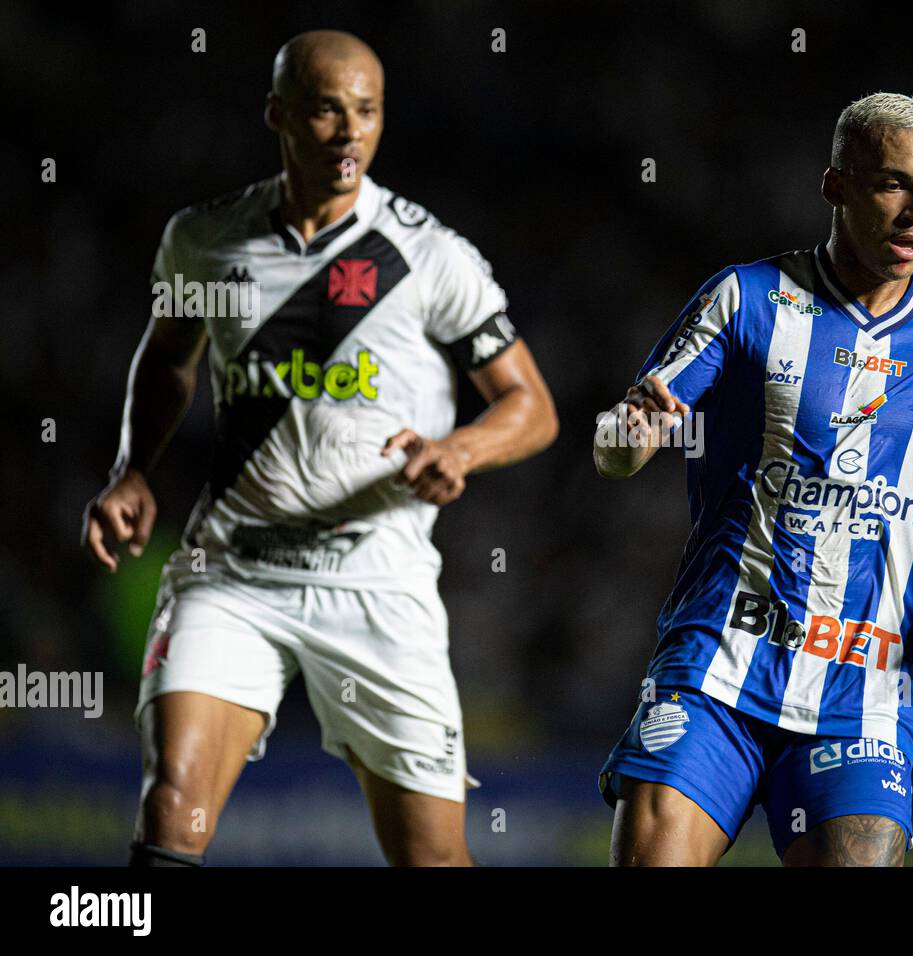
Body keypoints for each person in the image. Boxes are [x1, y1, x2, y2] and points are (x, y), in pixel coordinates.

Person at [81, 30, 558, 866]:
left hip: (377, 576)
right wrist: (132, 473)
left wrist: (462, 451)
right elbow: (167, 359)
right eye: (326, 110)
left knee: (434, 860)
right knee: (171, 812)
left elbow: (532, 406)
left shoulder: (429, 255)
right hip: (236, 571)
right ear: (279, 116)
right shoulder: (206, 240)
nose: (349, 131)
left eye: (366, 112)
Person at [593, 92, 913, 866]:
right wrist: (627, 440)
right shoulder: (744, 300)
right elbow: (619, 442)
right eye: (892, 184)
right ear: (834, 186)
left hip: (866, 691)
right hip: (719, 662)